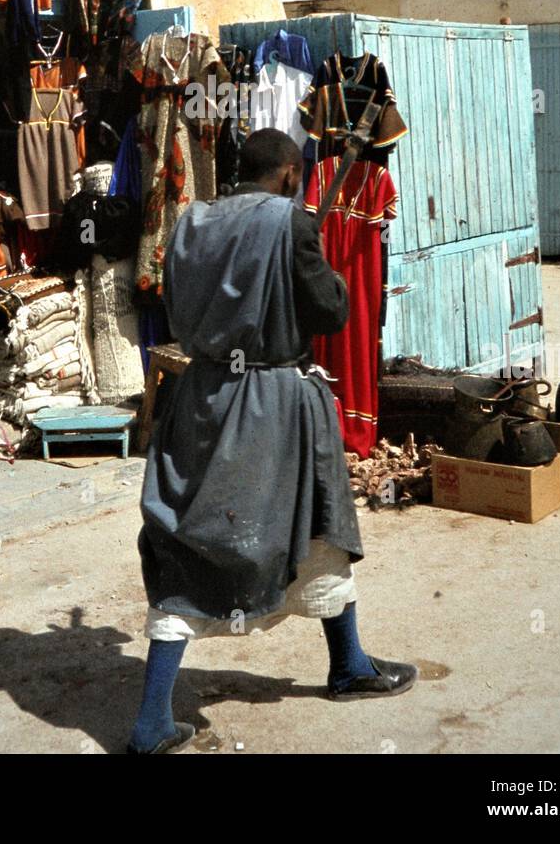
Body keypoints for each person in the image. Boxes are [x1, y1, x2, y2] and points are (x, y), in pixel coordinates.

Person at [128, 127, 417, 754]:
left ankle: (155, 720)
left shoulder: (190, 222)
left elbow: (175, 307)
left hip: (199, 398)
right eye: (299, 175)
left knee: (185, 543)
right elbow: (330, 313)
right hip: (275, 406)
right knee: (320, 526)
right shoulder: (290, 223)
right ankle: (349, 669)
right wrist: (328, 274)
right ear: (289, 174)